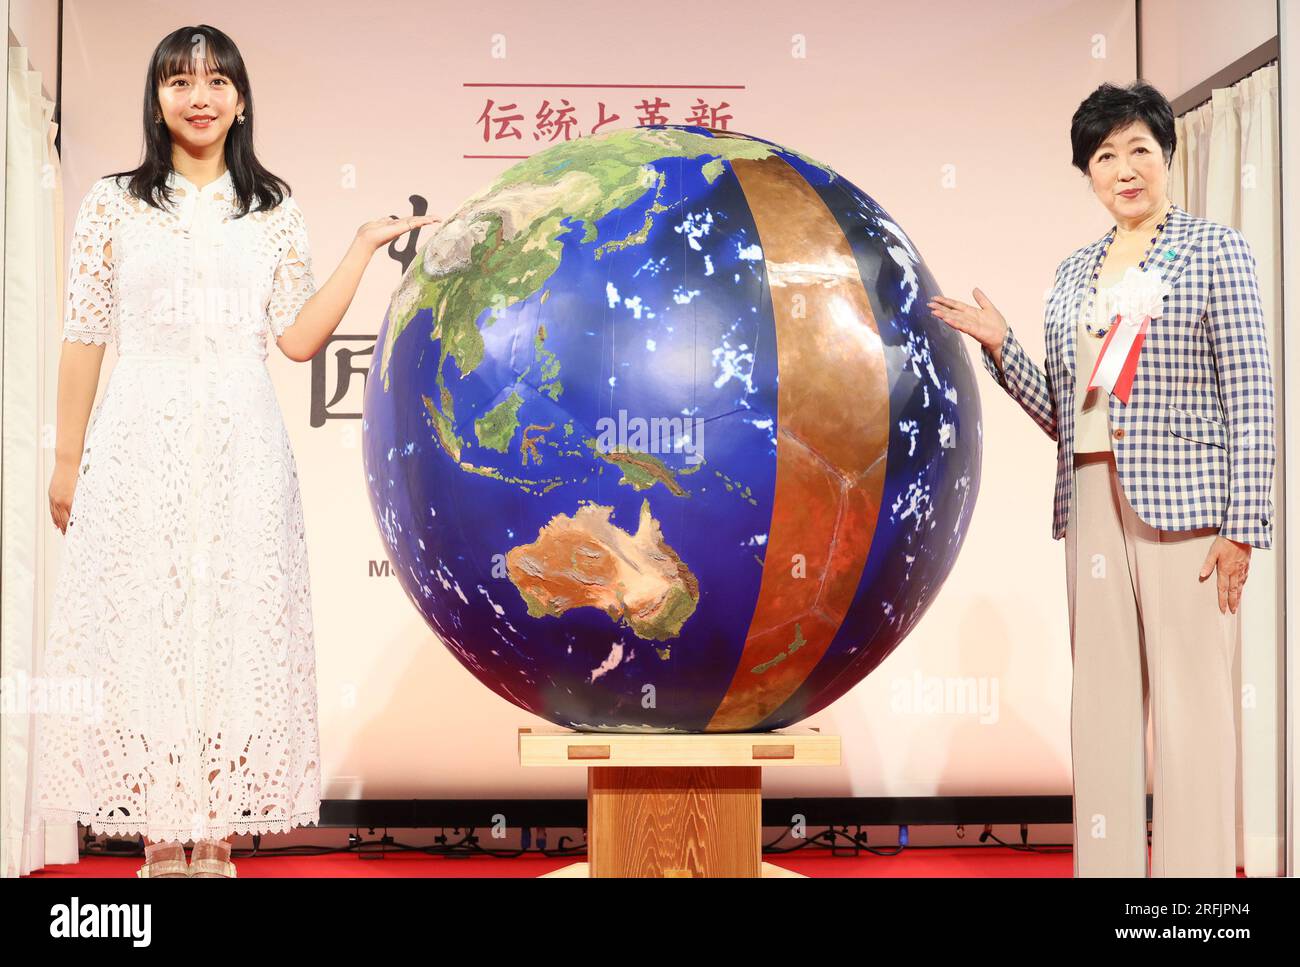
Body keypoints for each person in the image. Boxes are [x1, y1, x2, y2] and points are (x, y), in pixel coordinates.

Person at [36, 24, 439, 878]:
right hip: (139, 438)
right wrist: (67, 457)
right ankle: (157, 837)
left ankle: (214, 833)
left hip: (242, 442)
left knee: (232, 630)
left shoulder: (272, 208)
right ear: (156, 100)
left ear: (242, 100)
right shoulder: (112, 204)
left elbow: (296, 339)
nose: (200, 96)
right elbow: (84, 337)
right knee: (145, 630)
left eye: (217, 81)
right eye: (180, 81)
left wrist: (362, 248)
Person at [929, 80, 1276, 877]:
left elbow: (1253, 397)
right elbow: (1067, 410)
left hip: (1186, 506)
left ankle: (1192, 894)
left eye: (1139, 150)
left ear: (1166, 156)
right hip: (1088, 497)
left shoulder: (1214, 249)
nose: (1124, 168)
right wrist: (1001, 342)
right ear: (1088, 171)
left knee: (1194, 707)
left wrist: (1241, 526)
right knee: (1105, 705)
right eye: (1105, 155)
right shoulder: (1073, 270)